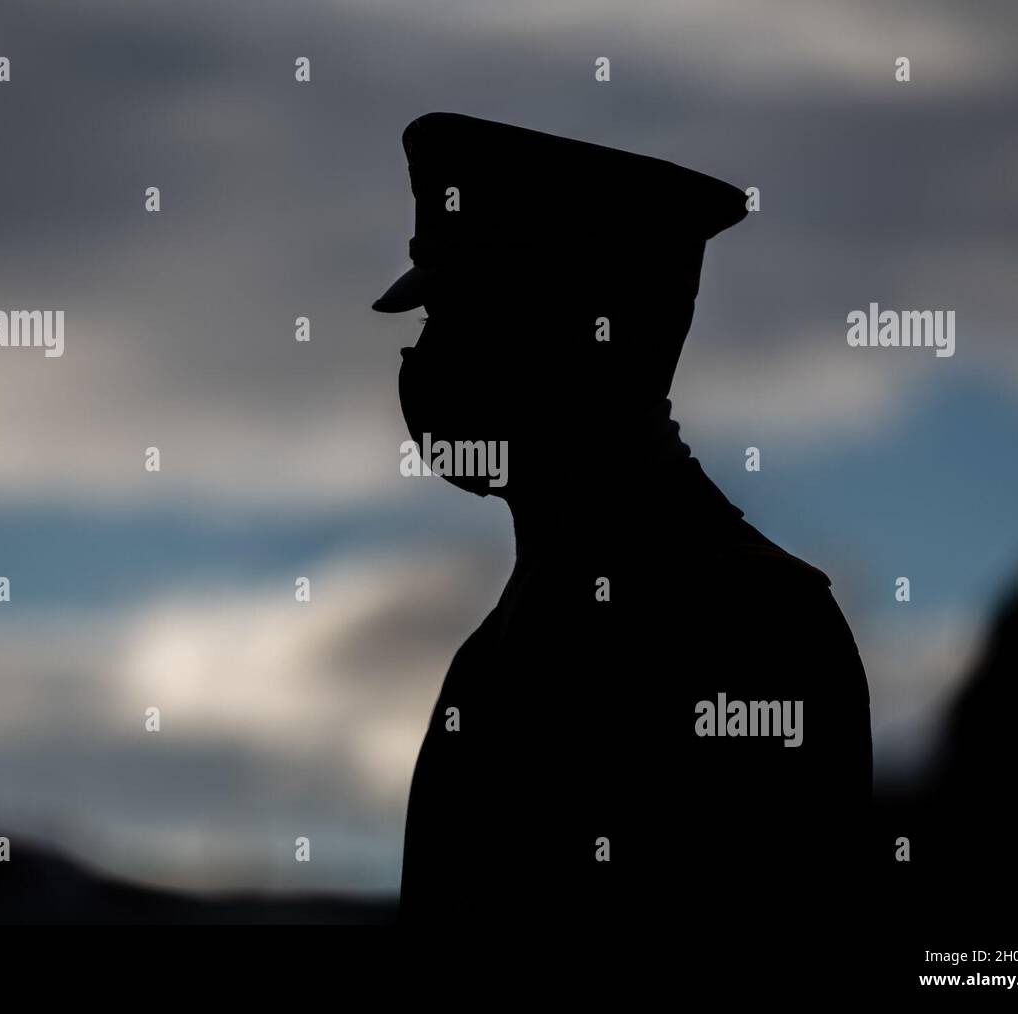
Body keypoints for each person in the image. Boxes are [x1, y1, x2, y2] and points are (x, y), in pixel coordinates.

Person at [373, 113, 872, 937]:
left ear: (576, 344)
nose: (427, 363)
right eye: (433, 327)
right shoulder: (496, 647)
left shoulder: (752, 623)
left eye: (461, 325)